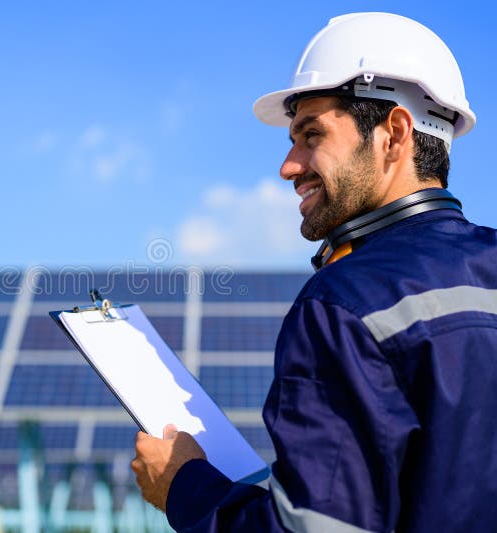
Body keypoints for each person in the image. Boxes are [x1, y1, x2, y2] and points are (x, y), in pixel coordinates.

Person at [131, 12, 497, 532]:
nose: (289, 165)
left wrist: (184, 487)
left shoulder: (342, 306)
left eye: (311, 135)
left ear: (394, 133)